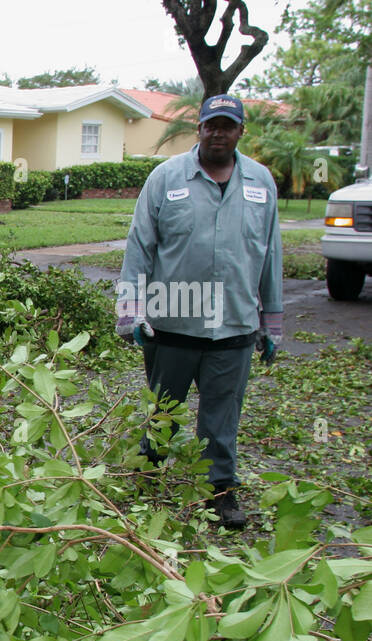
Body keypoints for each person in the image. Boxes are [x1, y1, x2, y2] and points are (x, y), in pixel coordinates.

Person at [115, 93, 282, 530]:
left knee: (222, 416)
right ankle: (146, 477)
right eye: (212, 125)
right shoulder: (165, 177)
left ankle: (220, 491)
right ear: (200, 129)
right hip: (172, 321)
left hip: (235, 325)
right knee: (163, 411)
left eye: (228, 126)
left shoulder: (261, 183)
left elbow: (270, 257)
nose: (219, 133)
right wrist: (131, 311)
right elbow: (140, 247)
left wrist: (273, 323)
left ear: (240, 131)